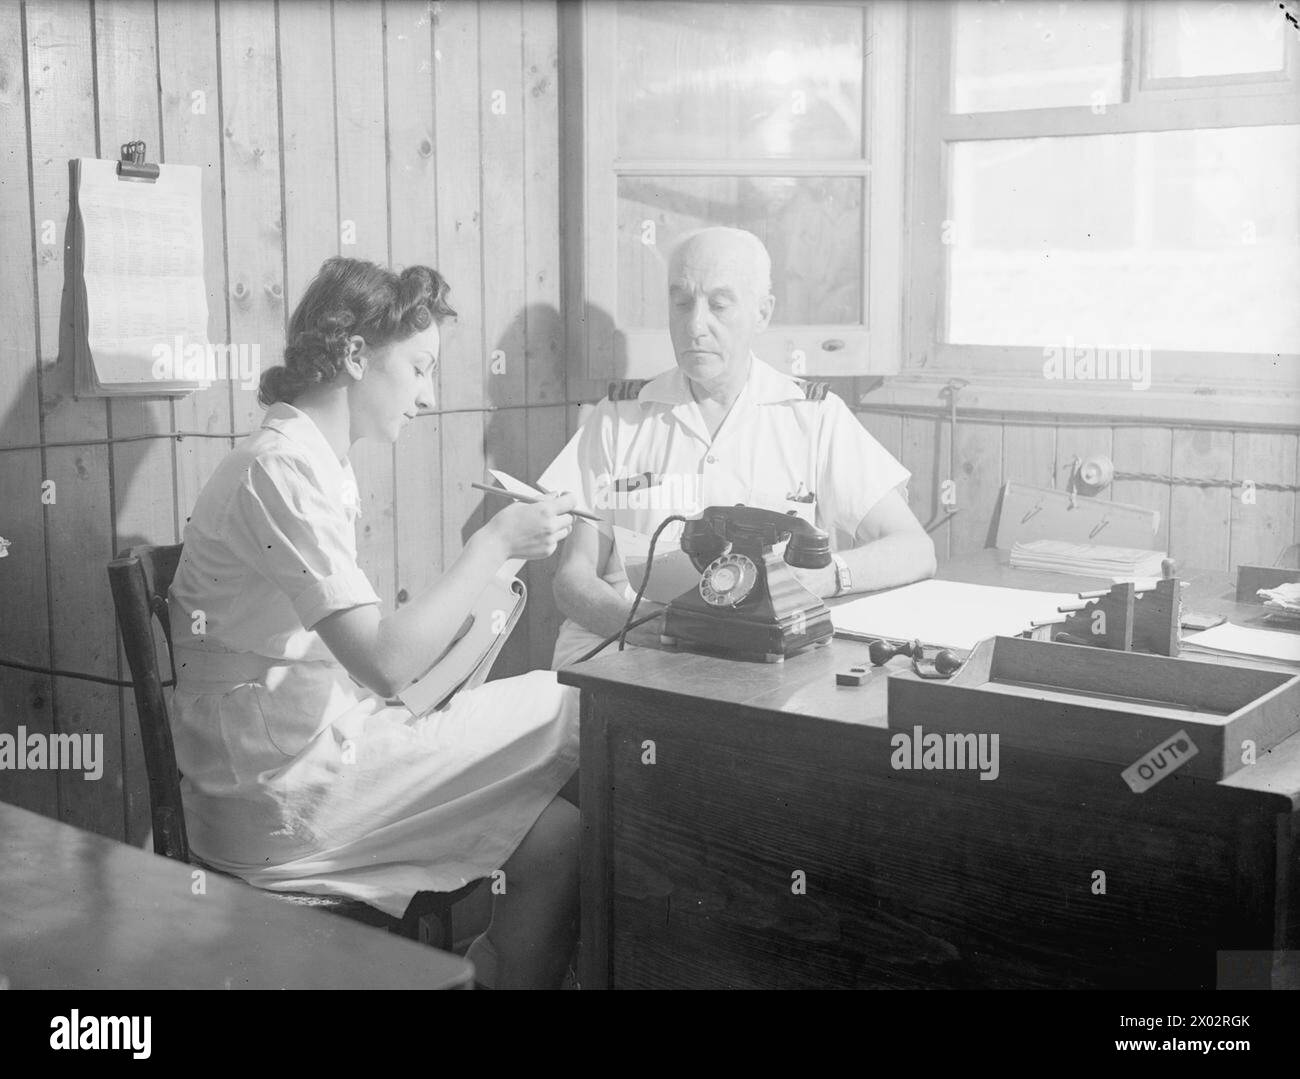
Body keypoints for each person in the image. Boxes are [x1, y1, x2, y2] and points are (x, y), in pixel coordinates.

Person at [167, 257, 579, 988]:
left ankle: (485, 977)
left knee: (558, 838)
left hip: (309, 754)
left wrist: (488, 584)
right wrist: (490, 545)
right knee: (570, 703)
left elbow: (385, 668)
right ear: (357, 355)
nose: (426, 395)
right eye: (419, 369)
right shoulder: (281, 469)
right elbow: (384, 662)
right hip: (276, 793)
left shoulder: (315, 464)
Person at [544, 226, 936, 667]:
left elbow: (915, 549)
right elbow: (573, 576)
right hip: (626, 648)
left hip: (758, 660)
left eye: (719, 305)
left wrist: (829, 576)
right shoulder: (619, 418)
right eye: (682, 302)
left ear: (762, 313)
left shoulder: (814, 417)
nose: (695, 326)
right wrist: (639, 625)